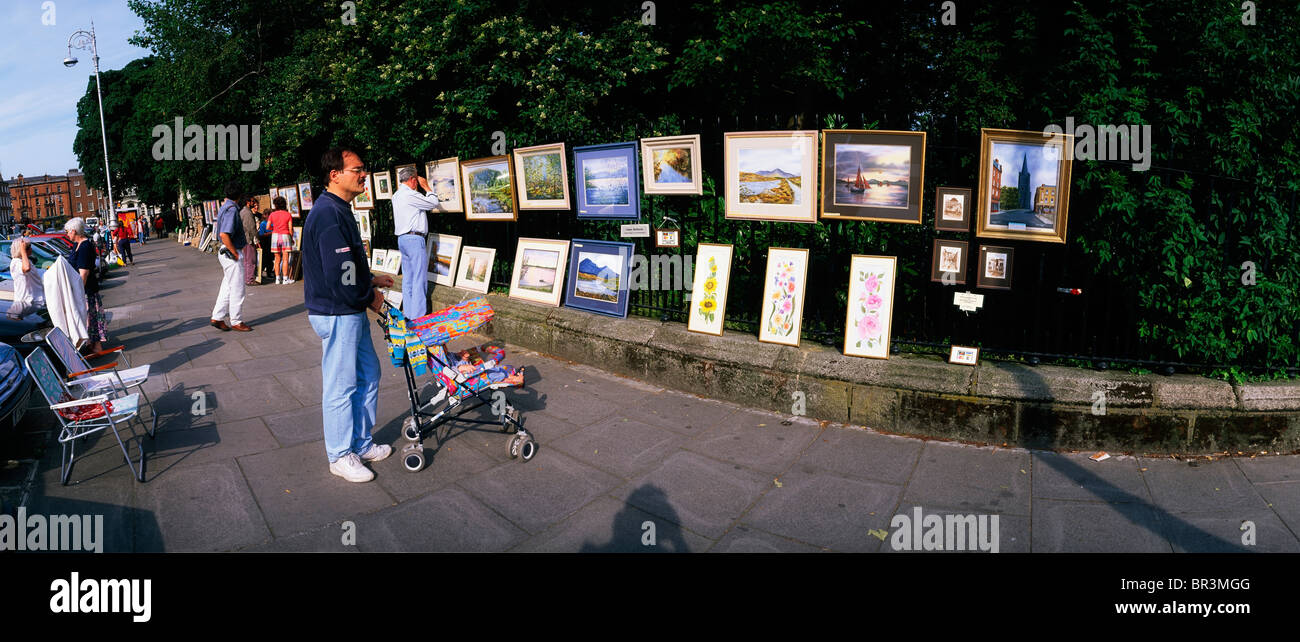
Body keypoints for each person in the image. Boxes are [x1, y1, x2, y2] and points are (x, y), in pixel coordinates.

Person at [303, 147, 395, 482]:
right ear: (335, 174)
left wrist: (370, 279)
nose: (363, 174)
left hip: (348, 308)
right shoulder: (328, 213)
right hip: (337, 310)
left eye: (363, 169)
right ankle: (340, 455)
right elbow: (339, 273)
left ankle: (361, 442)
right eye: (356, 169)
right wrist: (369, 295)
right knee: (341, 385)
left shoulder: (338, 208)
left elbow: (346, 266)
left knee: (369, 374)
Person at [391, 166, 444, 319]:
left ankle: (408, 314)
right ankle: (419, 317)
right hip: (414, 239)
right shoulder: (410, 194)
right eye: (417, 180)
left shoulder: (396, 195)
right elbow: (432, 203)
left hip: (402, 239)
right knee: (419, 278)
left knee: (408, 278)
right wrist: (427, 187)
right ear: (413, 180)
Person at [210, 181, 253, 332]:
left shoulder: (224, 207)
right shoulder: (232, 210)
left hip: (225, 252)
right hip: (231, 252)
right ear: (239, 195)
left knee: (227, 287)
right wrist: (235, 252)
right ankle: (236, 320)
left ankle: (218, 317)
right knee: (237, 289)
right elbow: (224, 234)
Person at [65, 217, 106, 353]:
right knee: (89, 318)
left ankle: (97, 346)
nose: (67, 234)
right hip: (84, 289)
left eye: (68, 231)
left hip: (86, 289)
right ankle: (92, 345)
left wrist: (78, 293)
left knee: (91, 318)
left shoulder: (84, 246)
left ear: (74, 231)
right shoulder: (77, 245)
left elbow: (84, 273)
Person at [7, 228, 45, 319]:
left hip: (36, 301)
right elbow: (26, 268)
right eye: (28, 248)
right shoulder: (15, 263)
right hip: (25, 303)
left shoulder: (26, 260)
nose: (30, 249)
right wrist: (23, 251)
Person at [267, 196, 294, 284]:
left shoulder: (272, 215)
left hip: (275, 236)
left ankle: (277, 279)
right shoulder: (288, 214)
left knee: (277, 259)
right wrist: (292, 238)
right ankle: (285, 279)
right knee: (285, 258)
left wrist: (274, 228)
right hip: (285, 235)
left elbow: (267, 227)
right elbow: (290, 229)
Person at [239, 196, 261, 286]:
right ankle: (250, 279)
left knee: (247, 260)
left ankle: (247, 278)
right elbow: (251, 228)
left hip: (244, 238)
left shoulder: (242, 211)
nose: (253, 203)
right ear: (248, 202)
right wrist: (257, 239)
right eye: (252, 201)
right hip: (248, 239)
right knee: (251, 260)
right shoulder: (247, 213)